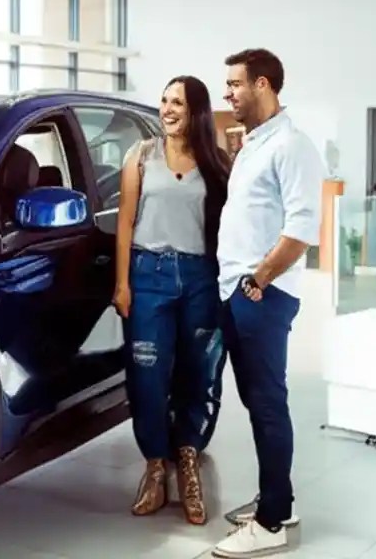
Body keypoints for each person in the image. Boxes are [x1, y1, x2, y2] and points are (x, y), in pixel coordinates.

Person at [211, 49, 324, 559]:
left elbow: (302, 230)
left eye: (235, 84)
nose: (228, 93)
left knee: (268, 404)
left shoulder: (292, 146)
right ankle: (280, 498)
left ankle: (272, 522)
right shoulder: (255, 144)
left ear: (263, 84)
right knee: (258, 404)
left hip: (261, 292)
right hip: (239, 289)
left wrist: (258, 278)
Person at [113, 75, 232, 525]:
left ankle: (188, 461)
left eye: (177, 102)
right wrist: (122, 284)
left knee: (200, 374)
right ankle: (155, 468)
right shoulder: (140, 156)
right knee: (147, 374)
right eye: (163, 101)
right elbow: (125, 222)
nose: (167, 109)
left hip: (202, 276)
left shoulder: (215, 162)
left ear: (195, 109)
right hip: (149, 276)